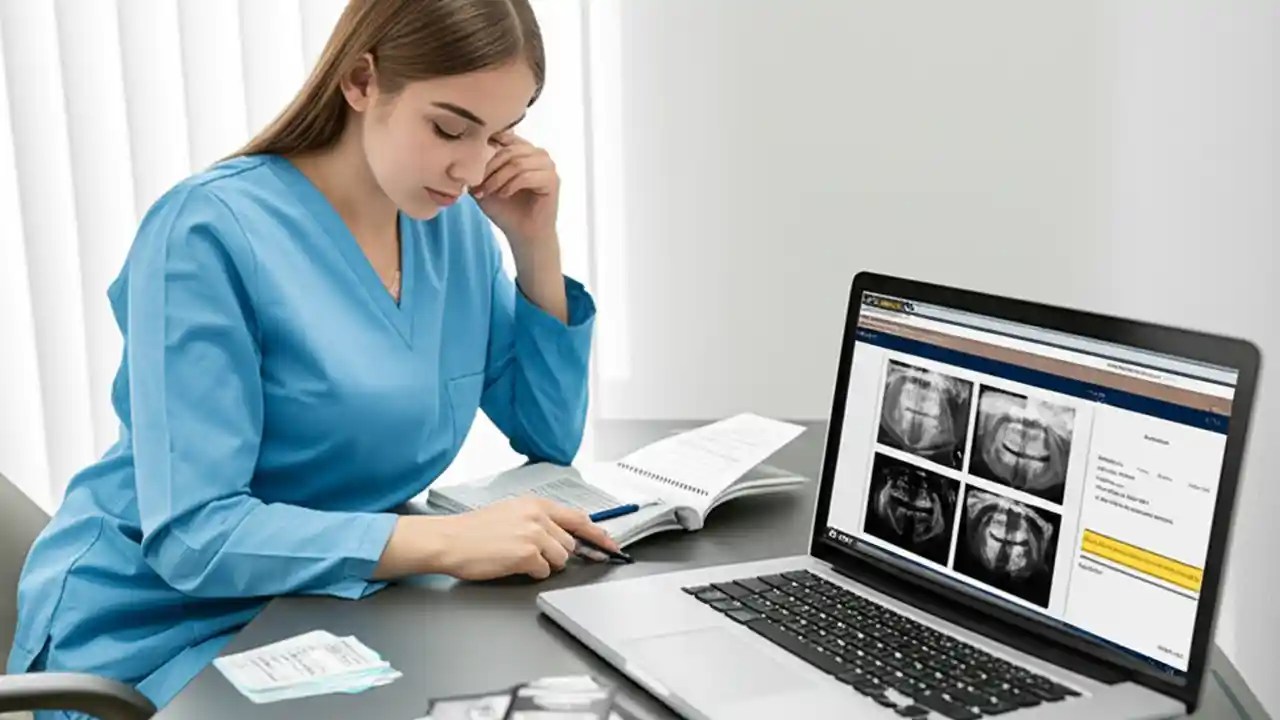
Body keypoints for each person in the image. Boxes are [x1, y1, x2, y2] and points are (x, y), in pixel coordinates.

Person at [5, 0, 620, 714]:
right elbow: (197, 538)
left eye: (499, 136)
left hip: (333, 610)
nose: (471, 166)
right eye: (450, 128)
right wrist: (442, 541)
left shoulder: (454, 231)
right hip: (158, 635)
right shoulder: (206, 233)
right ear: (361, 83)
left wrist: (535, 244)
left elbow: (547, 437)